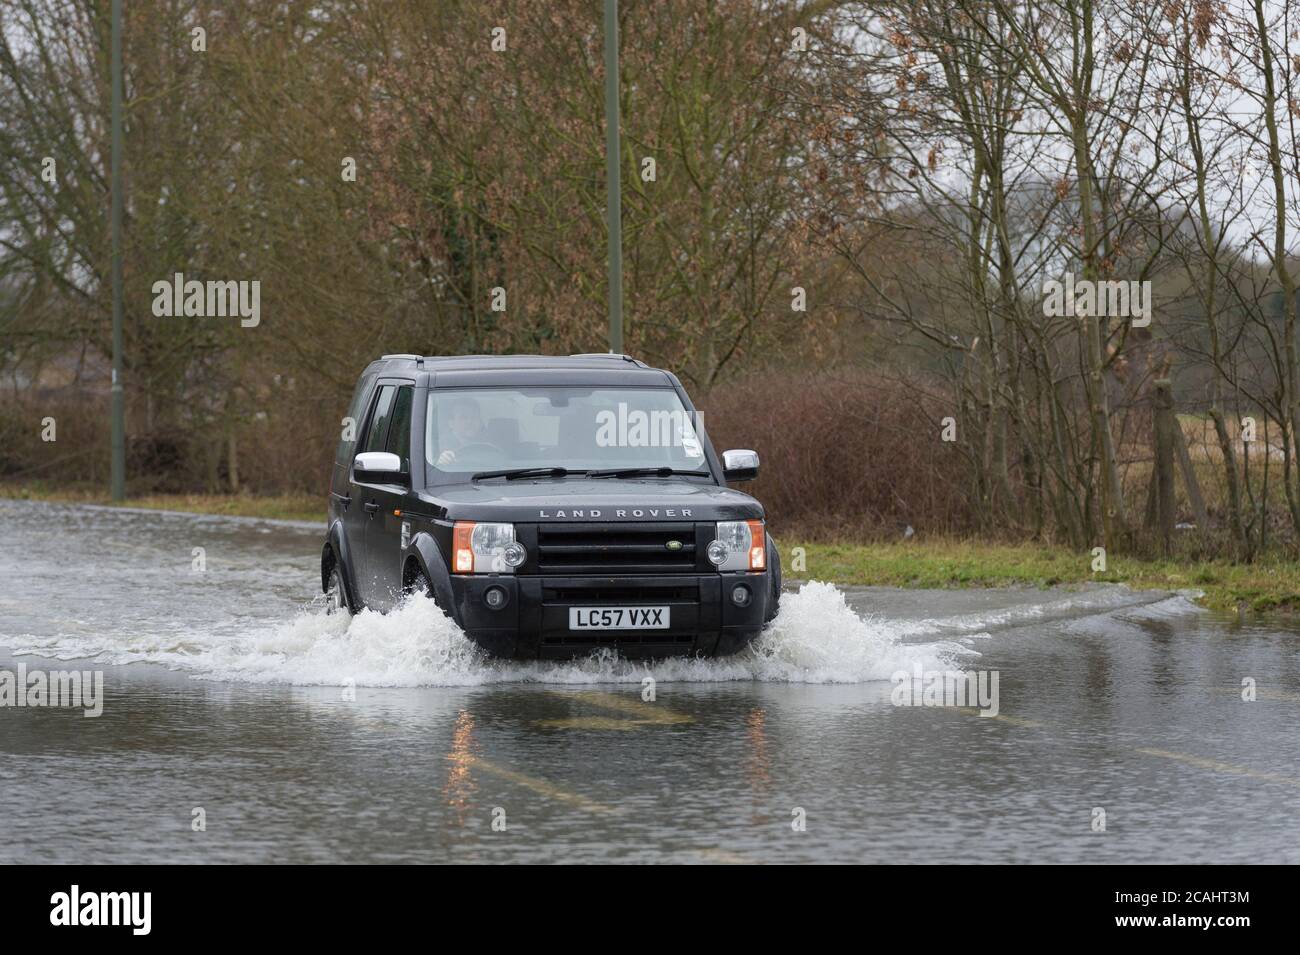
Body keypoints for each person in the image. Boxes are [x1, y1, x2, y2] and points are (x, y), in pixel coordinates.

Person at [435, 396, 494, 466]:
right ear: (451, 423)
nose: (470, 421)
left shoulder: (489, 444)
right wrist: (439, 462)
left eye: (474, 416)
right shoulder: (437, 446)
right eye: (463, 417)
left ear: (480, 421)